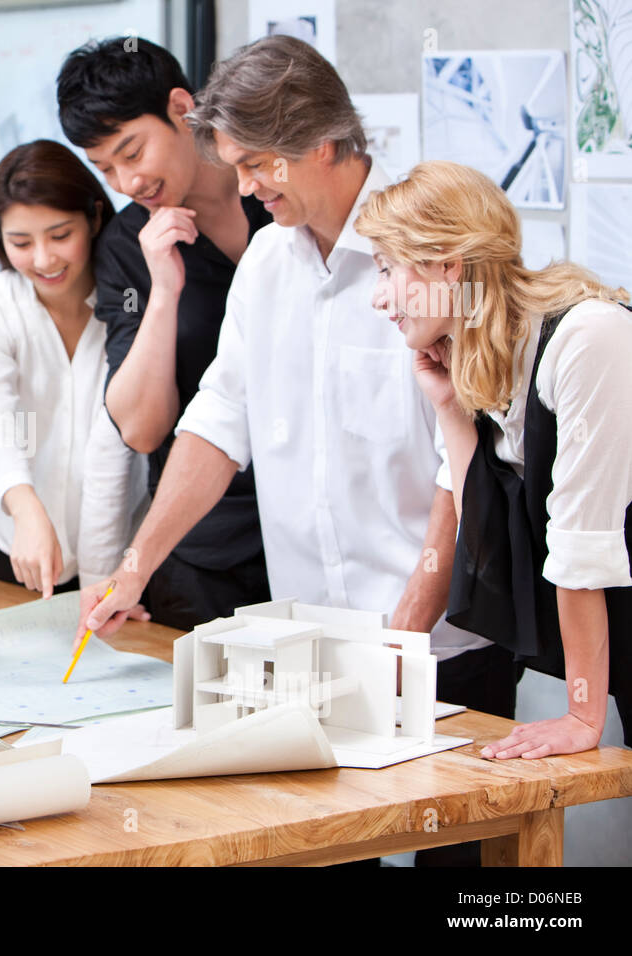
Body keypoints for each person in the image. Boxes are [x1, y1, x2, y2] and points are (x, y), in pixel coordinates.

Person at [80, 36, 514, 746]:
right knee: (329, 854)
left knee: (463, 849)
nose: (245, 187)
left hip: (445, 649)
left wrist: (405, 636)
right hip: (314, 650)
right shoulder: (267, 262)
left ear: (319, 141)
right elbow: (218, 425)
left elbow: (462, 468)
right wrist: (134, 567)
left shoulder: (433, 243)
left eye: (255, 164)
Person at [356, 160, 632, 756]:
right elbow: (482, 531)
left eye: (386, 269)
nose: (378, 299)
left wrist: (583, 717)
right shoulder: (476, 357)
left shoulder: (587, 338)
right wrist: (450, 410)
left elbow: (581, 546)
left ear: (446, 263)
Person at [56, 38, 272, 629]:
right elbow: (144, 430)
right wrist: (165, 289)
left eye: (133, 151)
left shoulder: (279, 198)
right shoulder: (129, 247)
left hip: (309, 529)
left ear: (182, 107)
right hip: (204, 549)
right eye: (105, 168)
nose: (127, 181)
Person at [0, 140, 148, 598]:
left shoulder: (131, 299)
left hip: (128, 551)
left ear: (95, 217)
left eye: (61, 235)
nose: (43, 259)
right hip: (21, 546)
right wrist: (26, 511)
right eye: (21, 242)